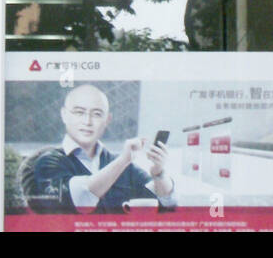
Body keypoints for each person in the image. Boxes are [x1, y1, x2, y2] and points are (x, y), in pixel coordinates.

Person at [21, 84, 175, 214]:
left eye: (96, 114)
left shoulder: (120, 163)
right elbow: (79, 200)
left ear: (107, 119)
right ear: (64, 115)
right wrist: (123, 160)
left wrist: (158, 172)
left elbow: (165, 202)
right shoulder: (48, 161)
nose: (87, 121)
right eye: (79, 112)